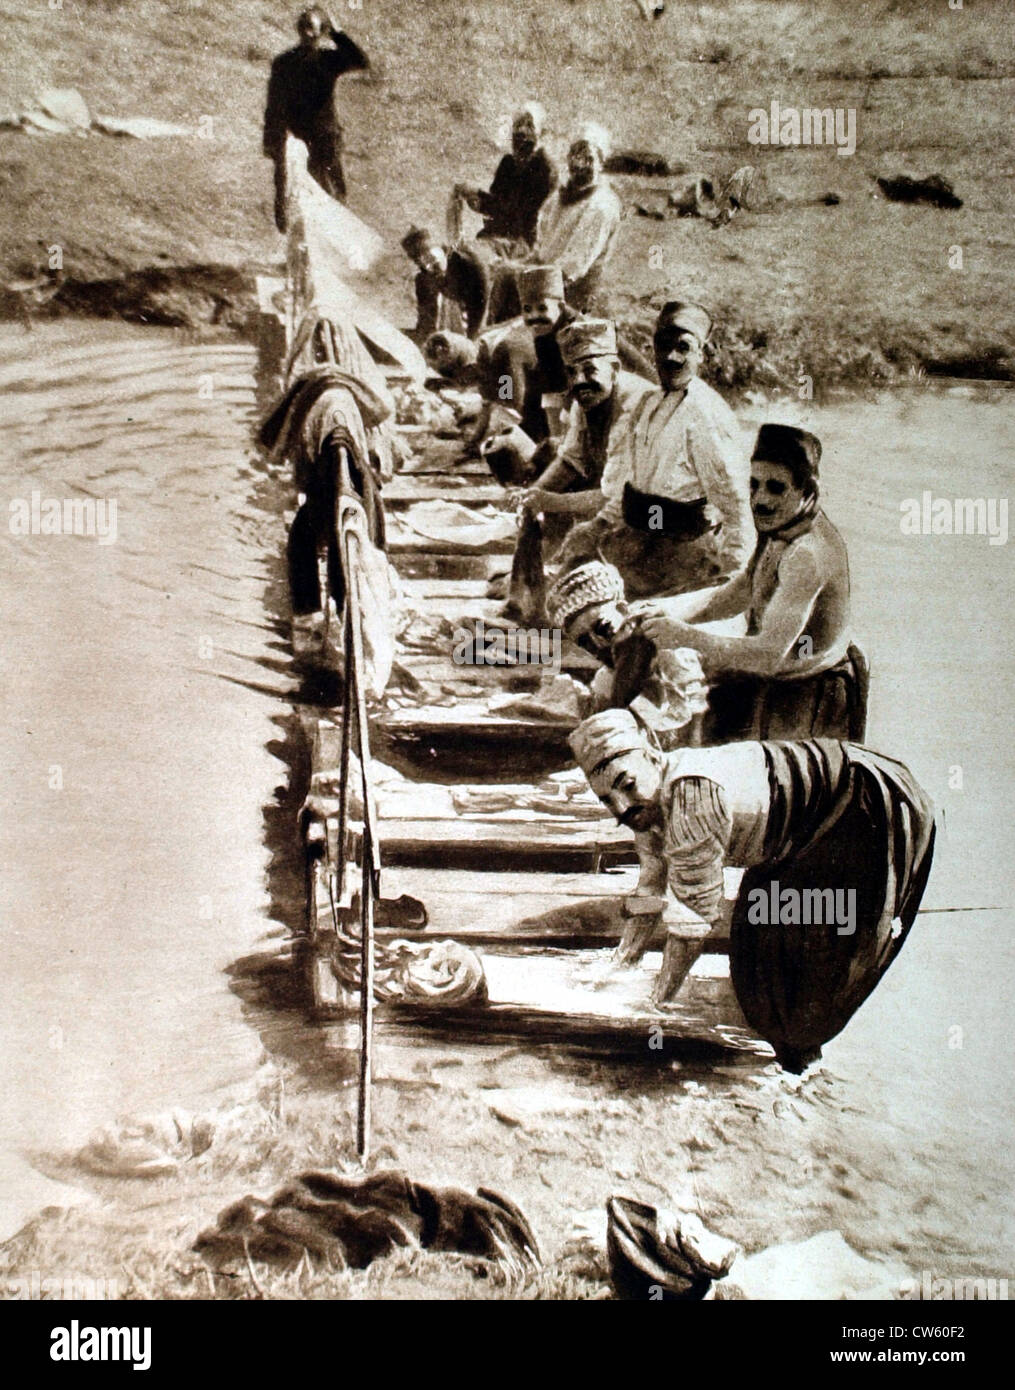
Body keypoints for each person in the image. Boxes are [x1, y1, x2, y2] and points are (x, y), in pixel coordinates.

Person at [568, 708, 936, 1071]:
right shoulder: (644, 810)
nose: (621, 807)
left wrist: (654, 1002)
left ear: (651, 756)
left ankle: (801, 1068)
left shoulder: (692, 796)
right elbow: (651, 889)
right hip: (796, 833)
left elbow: (694, 918)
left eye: (626, 785)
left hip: (860, 803)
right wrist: (620, 965)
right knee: (755, 959)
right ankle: (792, 1059)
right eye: (606, 800)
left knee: (813, 959)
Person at [628, 423, 867, 741]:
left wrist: (685, 635)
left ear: (807, 493)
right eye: (754, 485)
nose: (760, 500)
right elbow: (742, 590)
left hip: (809, 692)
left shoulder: (808, 553)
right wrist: (670, 612)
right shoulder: (781, 523)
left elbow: (766, 656)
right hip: (774, 672)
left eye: (775, 487)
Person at [560, 301, 752, 599]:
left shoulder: (707, 414)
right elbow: (627, 482)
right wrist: (598, 524)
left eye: (683, 348)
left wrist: (730, 580)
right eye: (663, 346)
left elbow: (736, 507)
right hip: (634, 546)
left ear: (701, 353)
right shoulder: (646, 404)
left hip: (682, 559)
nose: (671, 357)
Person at [504, 319, 655, 619]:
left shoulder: (638, 408)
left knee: (590, 562)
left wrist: (552, 502)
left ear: (614, 368)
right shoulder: (584, 399)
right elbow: (570, 460)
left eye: (590, 370)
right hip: (616, 497)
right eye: (572, 372)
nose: (580, 380)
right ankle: (525, 598)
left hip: (655, 512)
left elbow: (617, 498)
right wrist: (533, 496)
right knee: (541, 508)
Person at [263, 7, 369, 231]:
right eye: (304, 27)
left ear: (321, 32)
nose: (308, 33)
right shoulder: (283, 63)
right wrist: (272, 141)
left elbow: (360, 61)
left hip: (325, 138)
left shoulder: (328, 60)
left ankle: (337, 242)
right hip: (297, 141)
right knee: (291, 194)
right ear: (299, 30)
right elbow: (274, 104)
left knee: (333, 193)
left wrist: (338, 33)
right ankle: (300, 247)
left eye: (312, 27)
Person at [532, 124, 622, 312]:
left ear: (600, 163)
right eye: (576, 157)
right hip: (547, 278)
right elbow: (541, 238)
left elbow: (574, 266)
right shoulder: (561, 196)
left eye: (589, 159)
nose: (580, 165)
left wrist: (533, 281)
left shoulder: (601, 204)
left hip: (574, 292)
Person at [454, 102, 558, 250]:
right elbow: (497, 203)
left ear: (541, 133)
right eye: (518, 125)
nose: (522, 131)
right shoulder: (507, 164)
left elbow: (521, 217)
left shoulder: (545, 169)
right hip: (498, 235)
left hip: (523, 244)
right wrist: (476, 197)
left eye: (530, 126)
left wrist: (481, 200)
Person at [401, 227, 489, 342]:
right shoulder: (424, 278)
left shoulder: (469, 264)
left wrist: (471, 341)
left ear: (441, 248)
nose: (425, 262)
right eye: (417, 259)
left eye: (427, 251)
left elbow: (479, 313)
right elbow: (426, 324)